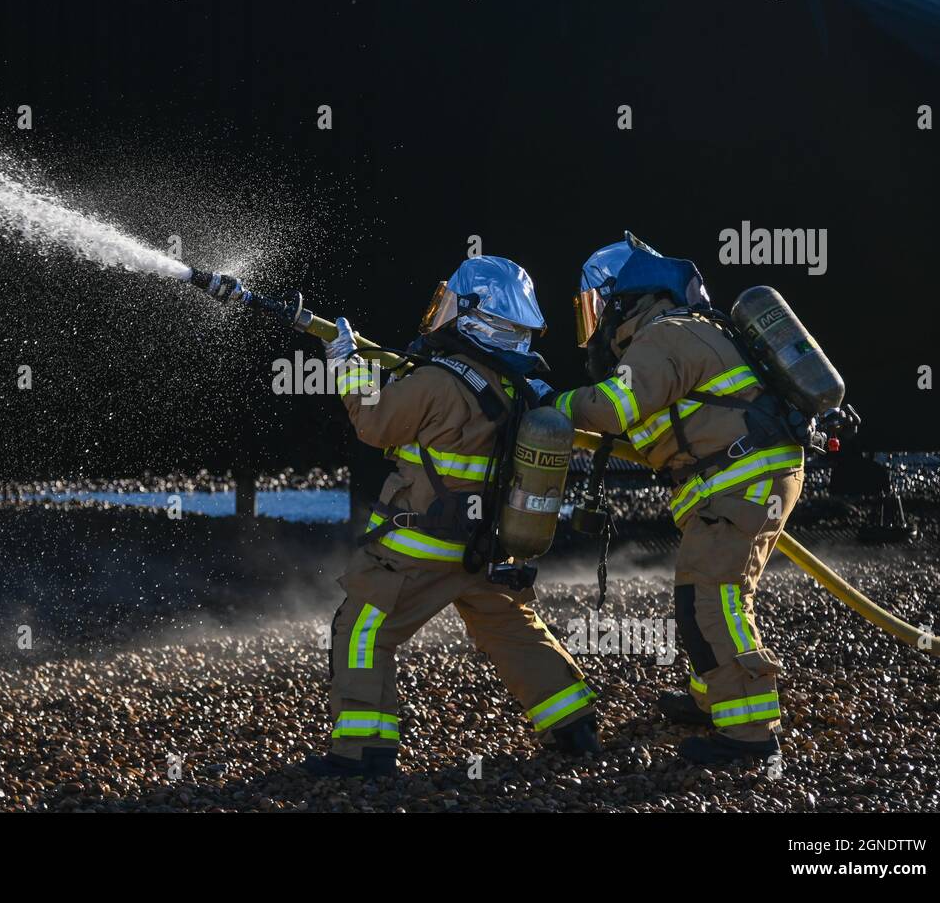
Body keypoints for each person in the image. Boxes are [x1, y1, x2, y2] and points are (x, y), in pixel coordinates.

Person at [302, 255, 600, 778]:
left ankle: (363, 750)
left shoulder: (439, 381)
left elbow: (376, 423)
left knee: (362, 628)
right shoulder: (520, 387)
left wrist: (346, 362)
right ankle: (573, 725)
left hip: (422, 547)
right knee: (509, 626)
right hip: (488, 546)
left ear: (472, 313)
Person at [550, 232, 803, 765]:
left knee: (715, 598)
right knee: (700, 596)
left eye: (598, 306)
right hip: (740, 480)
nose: (596, 322)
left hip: (740, 482)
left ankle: (750, 734)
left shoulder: (664, 336)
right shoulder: (686, 329)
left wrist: (553, 405)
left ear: (623, 298)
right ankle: (712, 698)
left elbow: (611, 409)